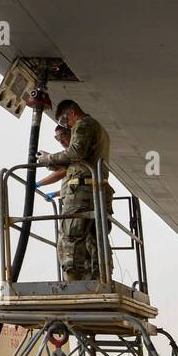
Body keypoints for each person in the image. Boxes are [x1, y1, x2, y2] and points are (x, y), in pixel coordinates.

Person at [36, 100, 112, 282]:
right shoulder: (99, 130)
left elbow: (76, 152)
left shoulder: (83, 124)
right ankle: (101, 278)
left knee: (70, 236)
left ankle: (74, 282)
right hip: (97, 189)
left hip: (81, 190)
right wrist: (51, 161)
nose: (67, 126)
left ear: (70, 113)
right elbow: (79, 159)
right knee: (96, 239)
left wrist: (49, 158)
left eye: (64, 122)